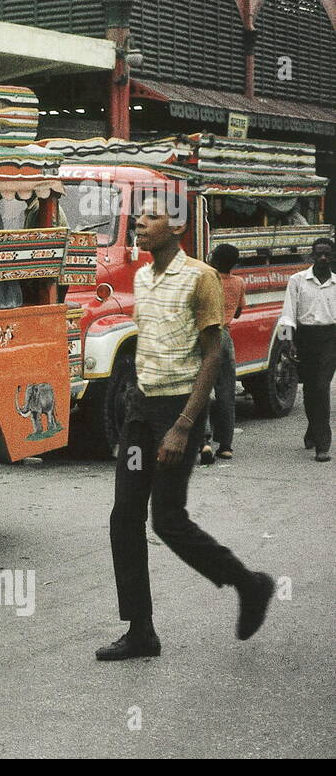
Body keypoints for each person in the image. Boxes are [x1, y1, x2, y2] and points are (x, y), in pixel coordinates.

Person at [96, 198, 273, 662]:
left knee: (168, 521)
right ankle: (140, 631)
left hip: (179, 412)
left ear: (176, 224)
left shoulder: (201, 277)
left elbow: (213, 356)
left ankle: (249, 585)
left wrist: (184, 426)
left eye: (149, 217)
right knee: (124, 518)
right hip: (140, 413)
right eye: (137, 219)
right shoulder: (141, 277)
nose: (139, 225)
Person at [278, 237, 336, 462]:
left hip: (330, 338)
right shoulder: (297, 281)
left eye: (327, 254)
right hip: (305, 338)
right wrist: (288, 342)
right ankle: (313, 428)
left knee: (321, 387)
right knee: (311, 389)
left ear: (332, 256)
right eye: (319, 254)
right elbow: (287, 314)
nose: (323, 258)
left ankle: (323, 444)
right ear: (311, 256)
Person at [201, 243, 246, 464]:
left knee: (201, 390)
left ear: (214, 260)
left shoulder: (206, 280)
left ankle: (204, 441)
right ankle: (226, 446)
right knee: (226, 392)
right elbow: (238, 312)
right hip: (225, 337)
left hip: (204, 335)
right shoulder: (239, 283)